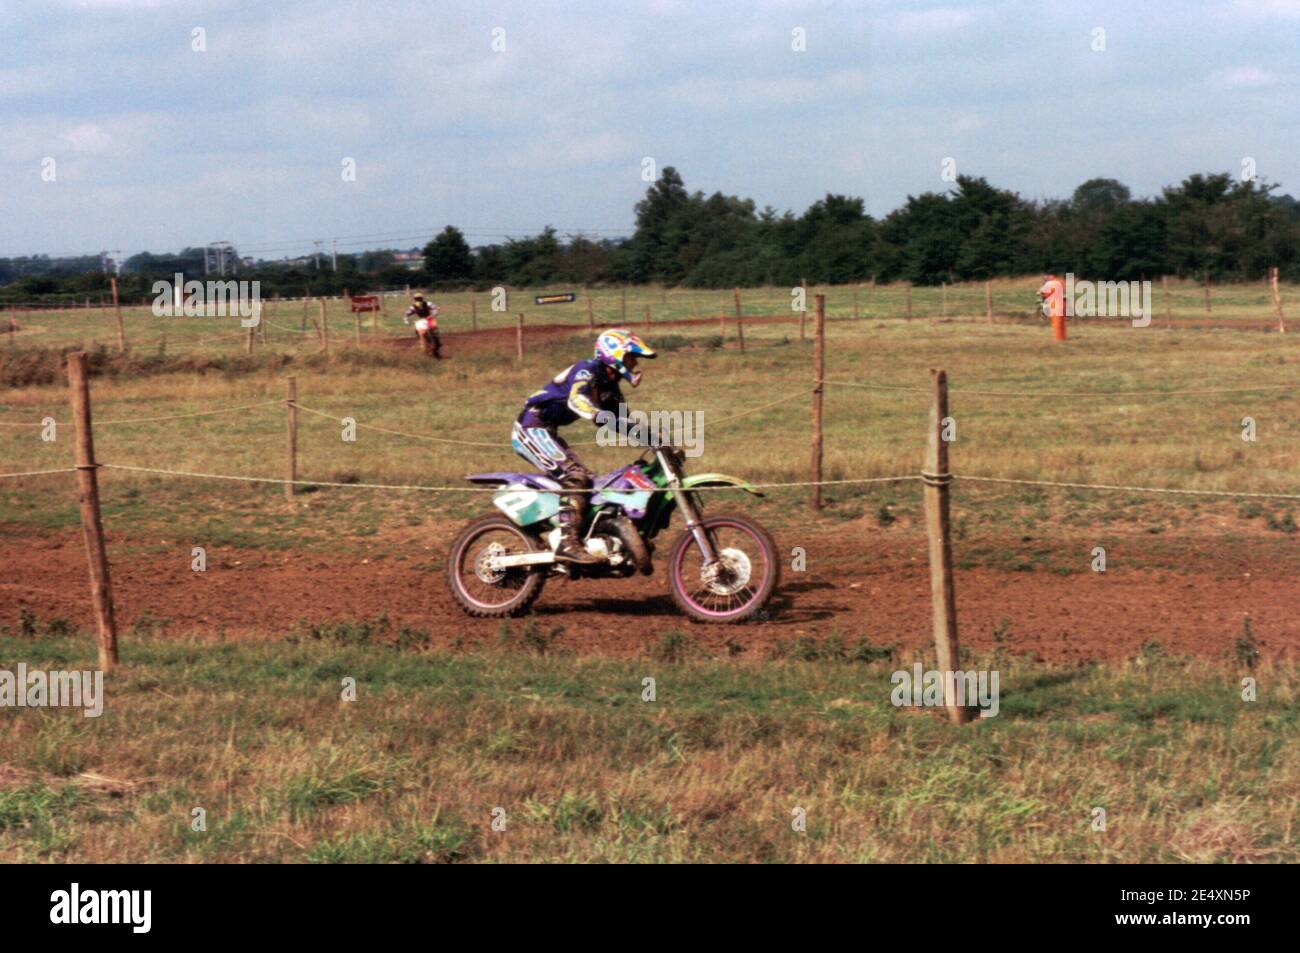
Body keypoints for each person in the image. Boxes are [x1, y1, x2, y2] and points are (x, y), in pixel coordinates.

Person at [512, 328, 655, 565]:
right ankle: (567, 544)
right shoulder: (587, 369)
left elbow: (624, 424)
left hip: (548, 431)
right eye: (631, 357)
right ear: (614, 355)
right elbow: (577, 399)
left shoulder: (611, 388)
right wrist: (598, 415)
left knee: (590, 482)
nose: (634, 363)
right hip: (531, 426)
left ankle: (589, 535)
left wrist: (656, 441)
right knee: (576, 476)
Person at [403, 293, 442, 358]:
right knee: (421, 333)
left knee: (434, 331)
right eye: (417, 299)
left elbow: (436, 308)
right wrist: (406, 320)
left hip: (429, 319)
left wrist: (433, 314)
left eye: (419, 298)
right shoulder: (414, 306)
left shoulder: (427, 303)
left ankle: (436, 342)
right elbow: (406, 314)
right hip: (423, 320)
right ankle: (426, 346)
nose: (418, 300)